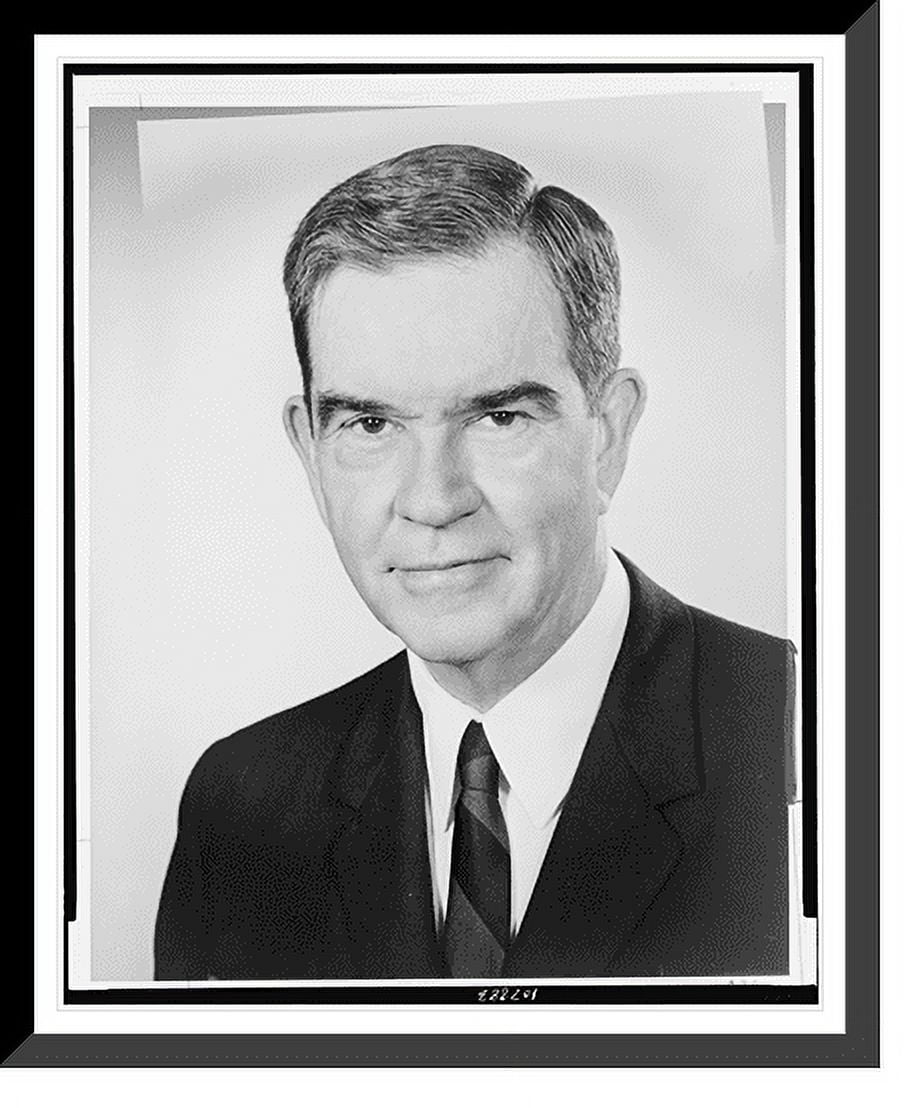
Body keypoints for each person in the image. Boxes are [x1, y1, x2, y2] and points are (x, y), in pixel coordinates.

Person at [154, 144, 795, 981]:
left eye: (497, 417)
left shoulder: (811, 742)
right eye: (370, 426)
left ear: (607, 434)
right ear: (310, 451)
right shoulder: (238, 806)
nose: (432, 498)